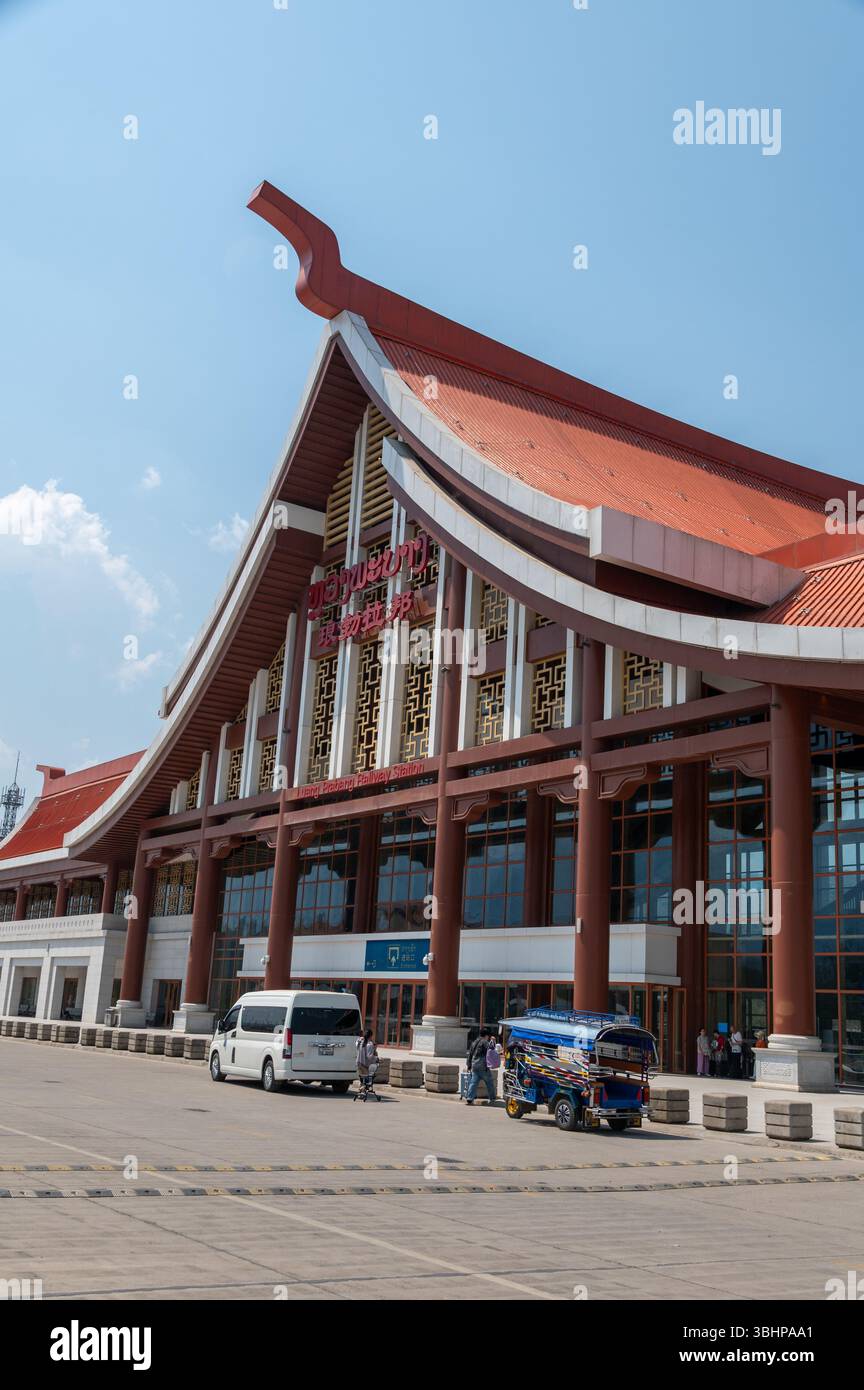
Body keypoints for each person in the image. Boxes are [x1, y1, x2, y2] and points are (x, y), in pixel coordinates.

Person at [465, 1028, 497, 1106]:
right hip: (483, 1066)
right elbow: (491, 1049)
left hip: (474, 1065)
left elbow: (470, 1054)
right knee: (489, 1082)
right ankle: (492, 1098)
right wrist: (493, 1041)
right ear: (486, 1035)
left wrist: (469, 1065)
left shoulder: (474, 1042)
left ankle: (469, 1098)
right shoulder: (485, 1042)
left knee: (473, 1082)